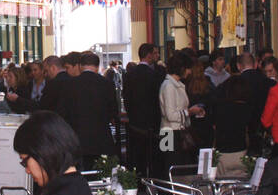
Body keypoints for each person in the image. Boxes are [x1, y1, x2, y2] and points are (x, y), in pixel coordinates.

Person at [59, 52, 118, 169]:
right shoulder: (107, 84)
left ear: (80, 66)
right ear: (97, 66)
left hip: (78, 141)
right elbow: (113, 113)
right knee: (103, 177)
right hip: (102, 140)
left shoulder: (70, 85)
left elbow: (64, 113)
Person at [122, 43, 163, 175]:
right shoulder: (155, 75)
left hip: (135, 124)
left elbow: (126, 97)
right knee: (156, 155)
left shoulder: (129, 74)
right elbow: (158, 99)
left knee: (138, 156)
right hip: (156, 125)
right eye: (155, 53)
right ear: (149, 55)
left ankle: (138, 180)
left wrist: (131, 115)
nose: (157, 56)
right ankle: (155, 180)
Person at [158, 51, 193, 177]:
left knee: (173, 166)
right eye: (188, 68)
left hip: (168, 131)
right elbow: (170, 115)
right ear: (182, 68)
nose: (190, 72)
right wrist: (189, 112)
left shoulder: (174, 85)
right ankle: (171, 192)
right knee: (172, 167)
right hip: (171, 132)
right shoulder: (169, 86)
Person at [211, 74, 252, 179]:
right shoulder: (247, 109)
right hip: (241, 152)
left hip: (222, 153)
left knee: (222, 186)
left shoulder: (220, 108)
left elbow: (215, 129)